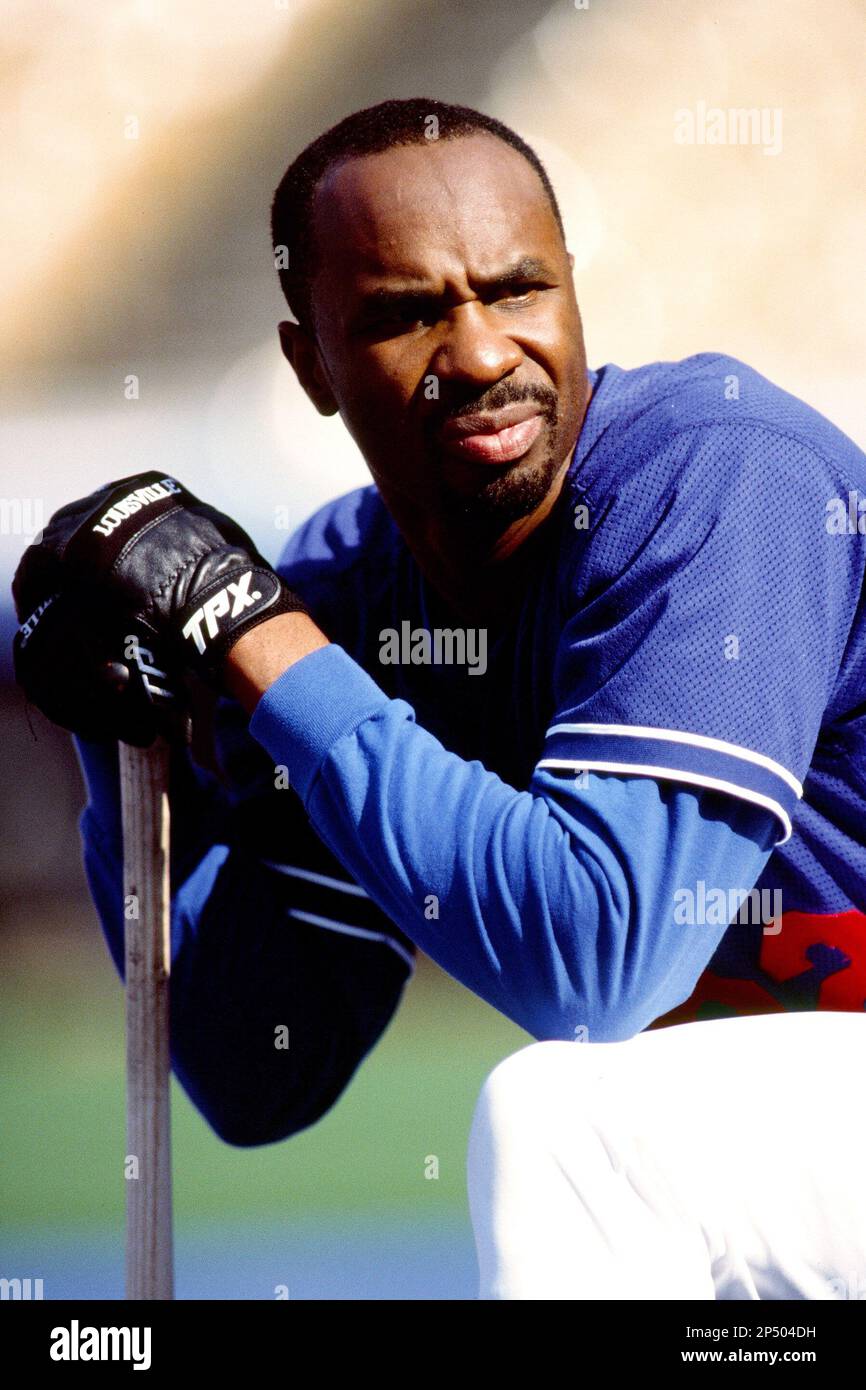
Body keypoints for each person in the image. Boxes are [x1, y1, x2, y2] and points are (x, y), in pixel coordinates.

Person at [12, 98, 866, 1300]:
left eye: (516, 291)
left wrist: (254, 639)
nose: (475, 353)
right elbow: (262, 1071)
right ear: (310, 363)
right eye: (405, 315)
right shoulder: (350, 601)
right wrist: (123, 727)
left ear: (573, 296)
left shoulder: (718, 471)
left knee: (566, 1132)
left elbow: (598, 963)